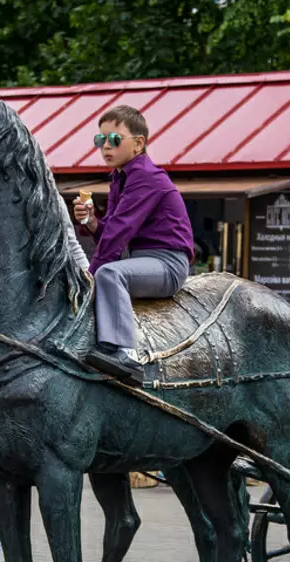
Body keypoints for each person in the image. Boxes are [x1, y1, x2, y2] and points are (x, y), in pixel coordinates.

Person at [74, 105, 195, 386]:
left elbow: (118, 232)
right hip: (143, 260)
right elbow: (111, 231)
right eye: (99, 140)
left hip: (168, 264)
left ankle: (127, 356)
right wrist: (92, 221)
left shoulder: (146, 176)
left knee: (108, 273)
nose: (105, 146)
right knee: (108, 271)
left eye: (114, 140)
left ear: (138, 143)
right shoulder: (120, 177)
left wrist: (89, 277)